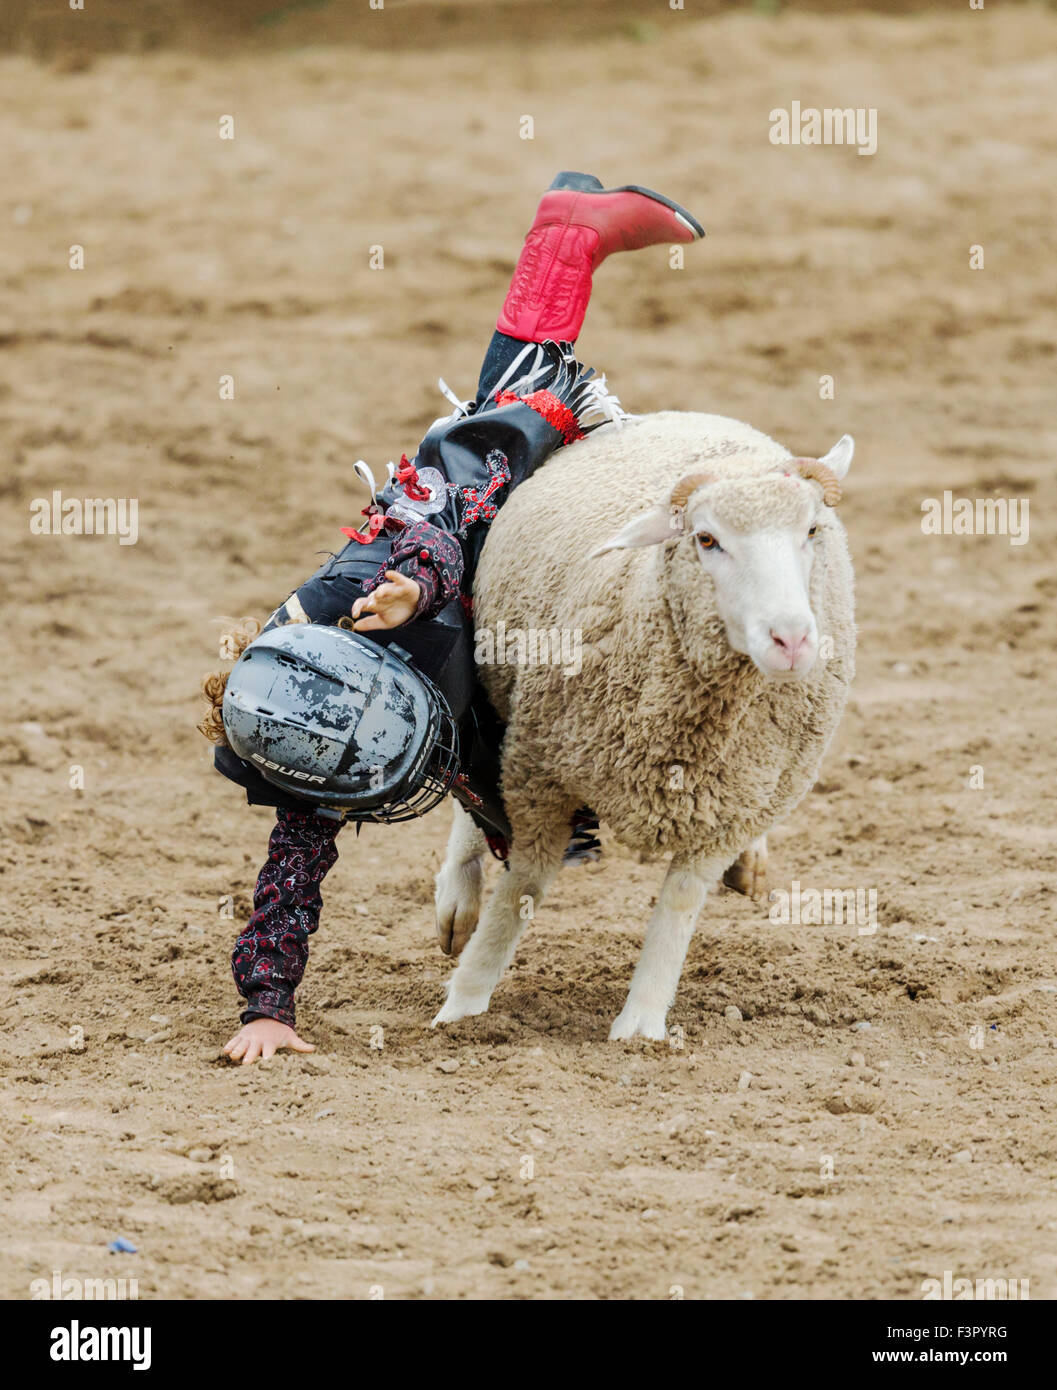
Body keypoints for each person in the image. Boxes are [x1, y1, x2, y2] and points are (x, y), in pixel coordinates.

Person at [197, 171, 705, 1064]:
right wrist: (265, 1007)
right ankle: (567, 228)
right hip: (458, 654)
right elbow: (288, 880)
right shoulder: (307, 749)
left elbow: (423, 529)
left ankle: (568, 235)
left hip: (462, 541)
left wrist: (414, 590)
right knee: (524, 781)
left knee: (498, 421)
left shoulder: (348, 615)